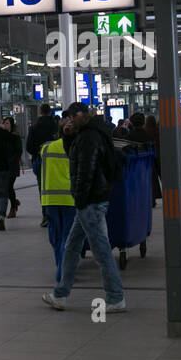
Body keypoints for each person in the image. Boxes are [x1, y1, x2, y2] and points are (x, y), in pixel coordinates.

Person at [42, 103, 125, 312]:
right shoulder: (88, 133)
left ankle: (116, 297)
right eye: (67, 118)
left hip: (91, 200)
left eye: (73, 116)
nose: (70, 120)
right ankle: (60, 295)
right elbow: (74, 156)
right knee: (71, 247)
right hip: (90, 200)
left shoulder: (90, 137)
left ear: (84, 115)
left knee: (101, 250)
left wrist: (79, 199)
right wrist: (68, 136)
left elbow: (85, 170)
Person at [39, 119, 76, 283]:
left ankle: (59, 265)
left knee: (55, 236)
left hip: (50, 199)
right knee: (67, 238)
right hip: (69, 199)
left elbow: (36, 167)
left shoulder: (46, 149)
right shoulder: (75, 149)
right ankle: (62, 271)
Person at [26, 104, 59, 227]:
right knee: (57, 187)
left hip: (40, 161)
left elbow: (29, 147)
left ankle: (46, 215)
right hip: (57, 161)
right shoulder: (56, 127)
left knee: (43, 188)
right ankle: (57, 214)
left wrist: (38, 152)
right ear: (50, 112)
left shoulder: (34, 128)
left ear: (40, 112)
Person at [2, 117, 23, 219]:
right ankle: (14, 202)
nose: (5, 125)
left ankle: (13, 207)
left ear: (11, 124)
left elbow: (19, 151)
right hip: (4, 166)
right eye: (4, 123)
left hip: (12, 166)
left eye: (7, 123)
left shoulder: (15, 137)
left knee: (9, 186)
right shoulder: (2, 136)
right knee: (6, 187)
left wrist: (12, 160)